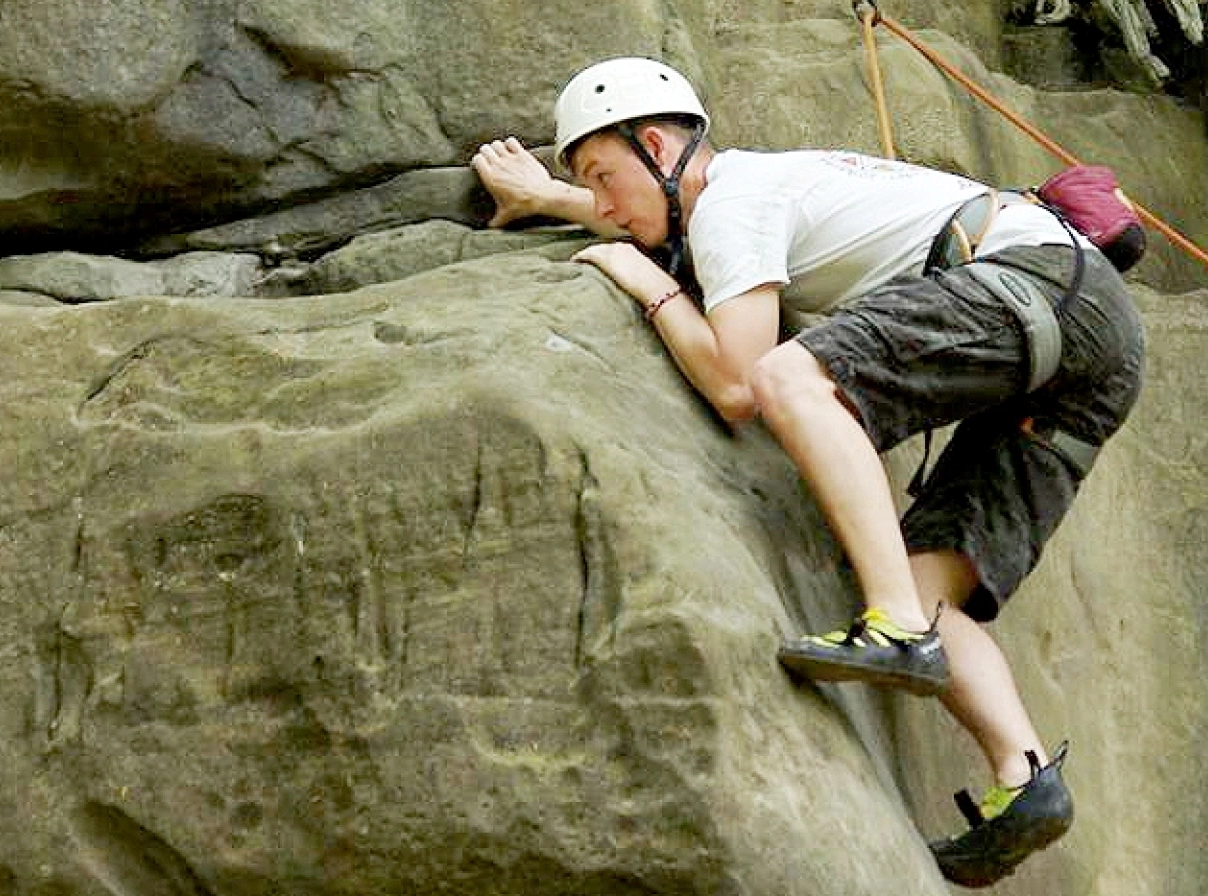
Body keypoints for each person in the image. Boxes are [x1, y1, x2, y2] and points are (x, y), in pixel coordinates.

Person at [471, 57, 1143, 887]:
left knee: (791, 376)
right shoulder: (738, 190)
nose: (604, 209)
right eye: (591, 191)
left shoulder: (733, 202)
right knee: (929, 587)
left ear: (656, 145)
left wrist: (642, 281)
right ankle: (1024, 778)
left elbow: (737, 383)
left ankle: (893, 626)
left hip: (1035, 287)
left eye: (605, 178)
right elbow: (646, 215)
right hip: (1095, 338)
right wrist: (547, 197)